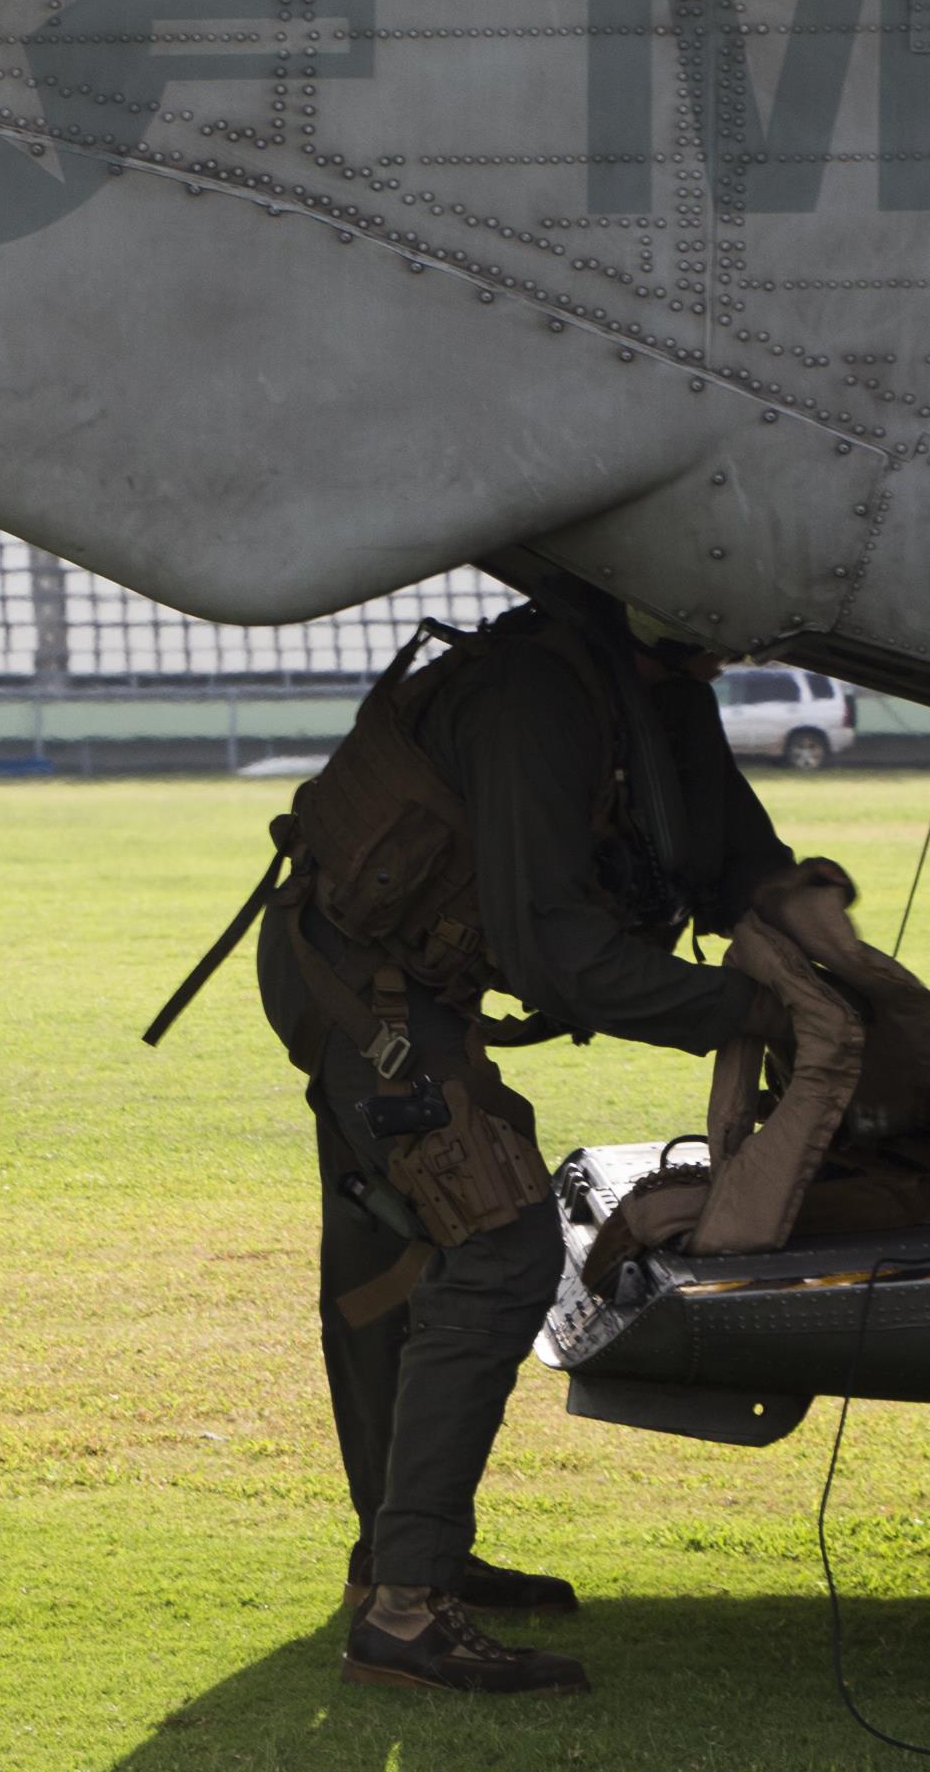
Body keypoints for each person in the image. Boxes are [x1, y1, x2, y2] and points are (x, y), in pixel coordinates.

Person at [250, 573, 820, 1696]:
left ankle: (400, 1562)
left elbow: (728, 855)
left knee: (397, 1267)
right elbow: (560, 955)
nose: (719, 665)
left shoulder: (649, 687)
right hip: (364, 987)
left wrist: (816, 933)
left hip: (411, 984)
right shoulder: (537, 700)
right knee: (499, 1246)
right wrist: (757, 1009)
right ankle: (407, 1608)